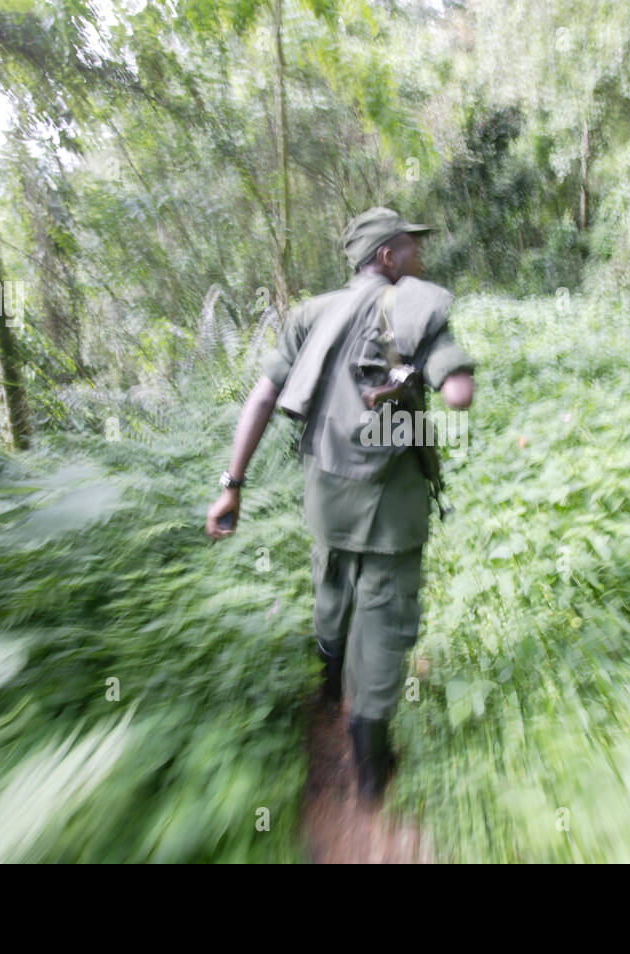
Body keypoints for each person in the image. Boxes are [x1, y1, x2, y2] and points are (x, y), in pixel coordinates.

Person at [205, 207, 477, 804]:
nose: (420, 256)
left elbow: (262, 398)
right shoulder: (417, 308)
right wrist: (434, 369)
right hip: (393, 505)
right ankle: (371, 762)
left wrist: (232, 483)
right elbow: (458, 395)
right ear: (386, 256)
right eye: (411, 247)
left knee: (332, 584)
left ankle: (330, 686)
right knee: (385, 612)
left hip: (327, 494)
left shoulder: (309, 315)